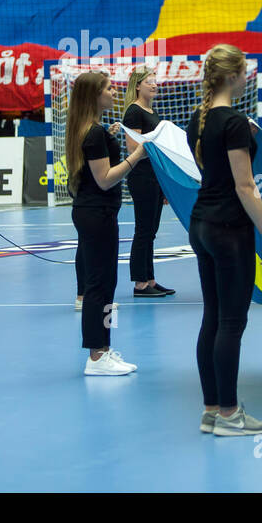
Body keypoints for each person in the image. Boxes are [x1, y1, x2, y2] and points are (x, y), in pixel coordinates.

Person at [188, 44, 262, 436]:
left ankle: (212, 410)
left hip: (202, 223)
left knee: (213, 317)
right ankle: (229, 415)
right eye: (244, 72)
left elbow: (215, 170)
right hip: (229, 230)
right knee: (232, 322)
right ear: (233, 76)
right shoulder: (234, 123)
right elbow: (244, 185)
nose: (247, 78)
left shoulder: (200, 120)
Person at [66, 71, 148, 376]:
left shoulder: (92, 130)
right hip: (96, 214)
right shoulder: (93, 134)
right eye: (108, 88)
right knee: (99, 285)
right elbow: (104, 180)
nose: (114, 92)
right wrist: (137, 155)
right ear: (95, 96)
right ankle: (97, 357)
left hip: (97, 213)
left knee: (105, 284)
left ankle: (103, 348)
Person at [122, 65, 172, 298]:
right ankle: (140, 283)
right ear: (138, 85)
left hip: (154, 175)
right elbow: (133, 148)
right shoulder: (134, 111)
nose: (154, 84)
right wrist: (154, 145)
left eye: (155, 80)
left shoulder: (151, 111)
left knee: (151, 230)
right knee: (143, 229)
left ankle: (149, 278)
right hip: (141, 176)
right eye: (149, 80)